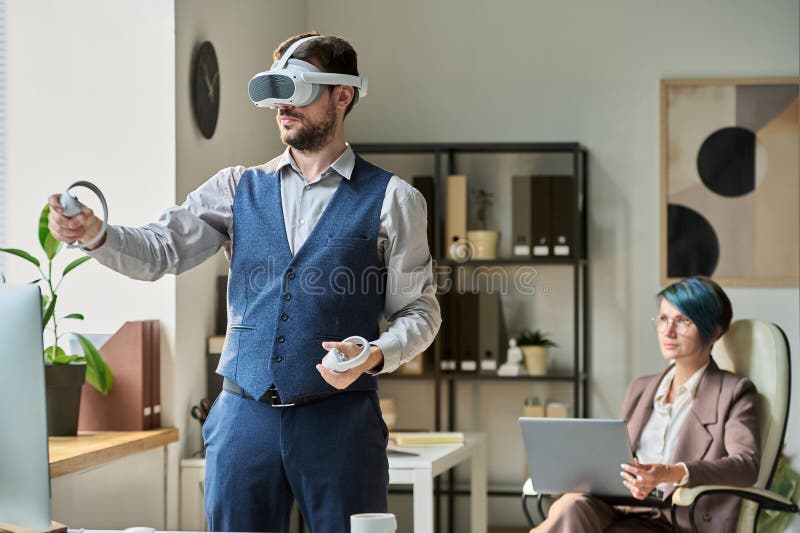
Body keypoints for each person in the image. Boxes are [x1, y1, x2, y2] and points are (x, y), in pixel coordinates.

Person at [47, 33, 441, 533]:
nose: (282, 105)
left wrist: (375, 353)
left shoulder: (393, 199)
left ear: (342, 94)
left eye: (297, 89)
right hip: (243, 421)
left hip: (341, 423)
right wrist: (97, 234)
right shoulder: (235, 187)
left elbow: (420, 311)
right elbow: (160, 249)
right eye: (276, 90)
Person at [533, 276, 759, 532]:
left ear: (714, 331)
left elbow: (746, 465)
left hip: (674, 518)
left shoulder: (734, 392)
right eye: (663, 318)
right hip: (620, 504)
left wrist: (671, 472)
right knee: (570, 506)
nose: (668, 331)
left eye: (683, 321)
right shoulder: (640, 388)